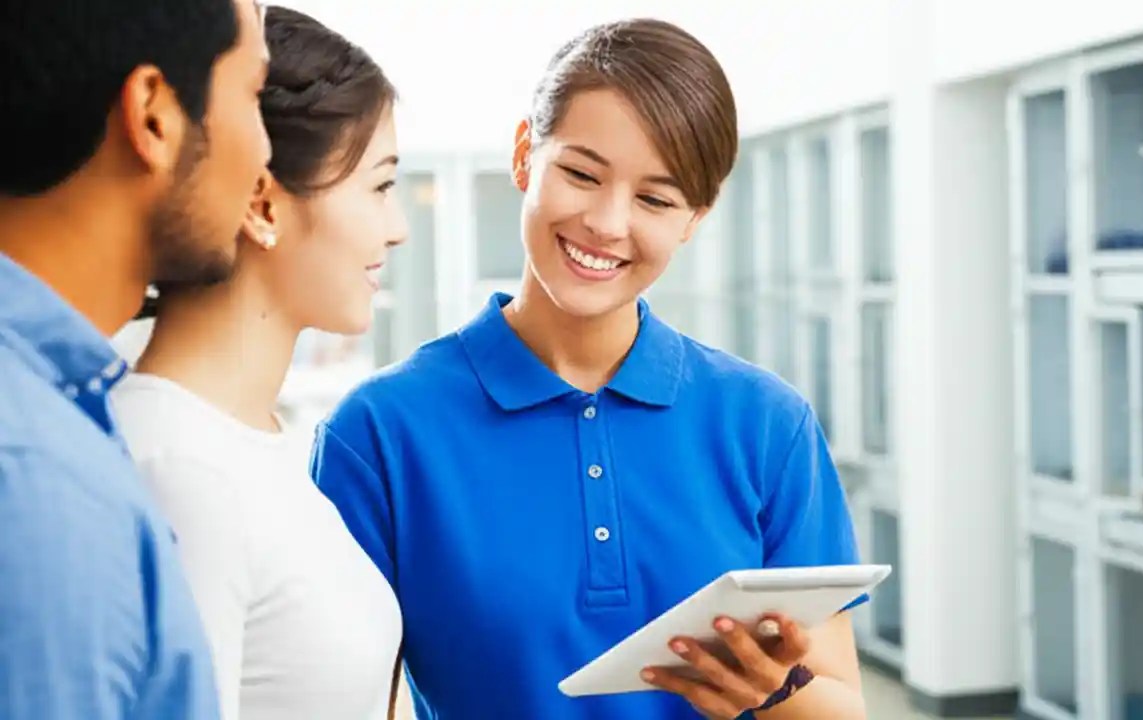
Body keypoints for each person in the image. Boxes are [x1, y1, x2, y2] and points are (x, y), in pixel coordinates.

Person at [312, 17, 869, 720]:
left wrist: (772, 692)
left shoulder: (766, 425)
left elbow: (843, 703)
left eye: (655, 199)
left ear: (695, 217)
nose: (607, 223)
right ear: (525, 155)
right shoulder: (380, 434)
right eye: (581, 174)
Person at [108, 7, 408, 720]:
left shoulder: (254, 444)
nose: (397, 229)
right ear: (263, 204)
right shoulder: (180, 469)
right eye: (380, 187)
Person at [0, 0, 270, 717]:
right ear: (154, 114)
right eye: (254, 95)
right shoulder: (38, 483)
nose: (266, 157)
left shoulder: (54, 423)